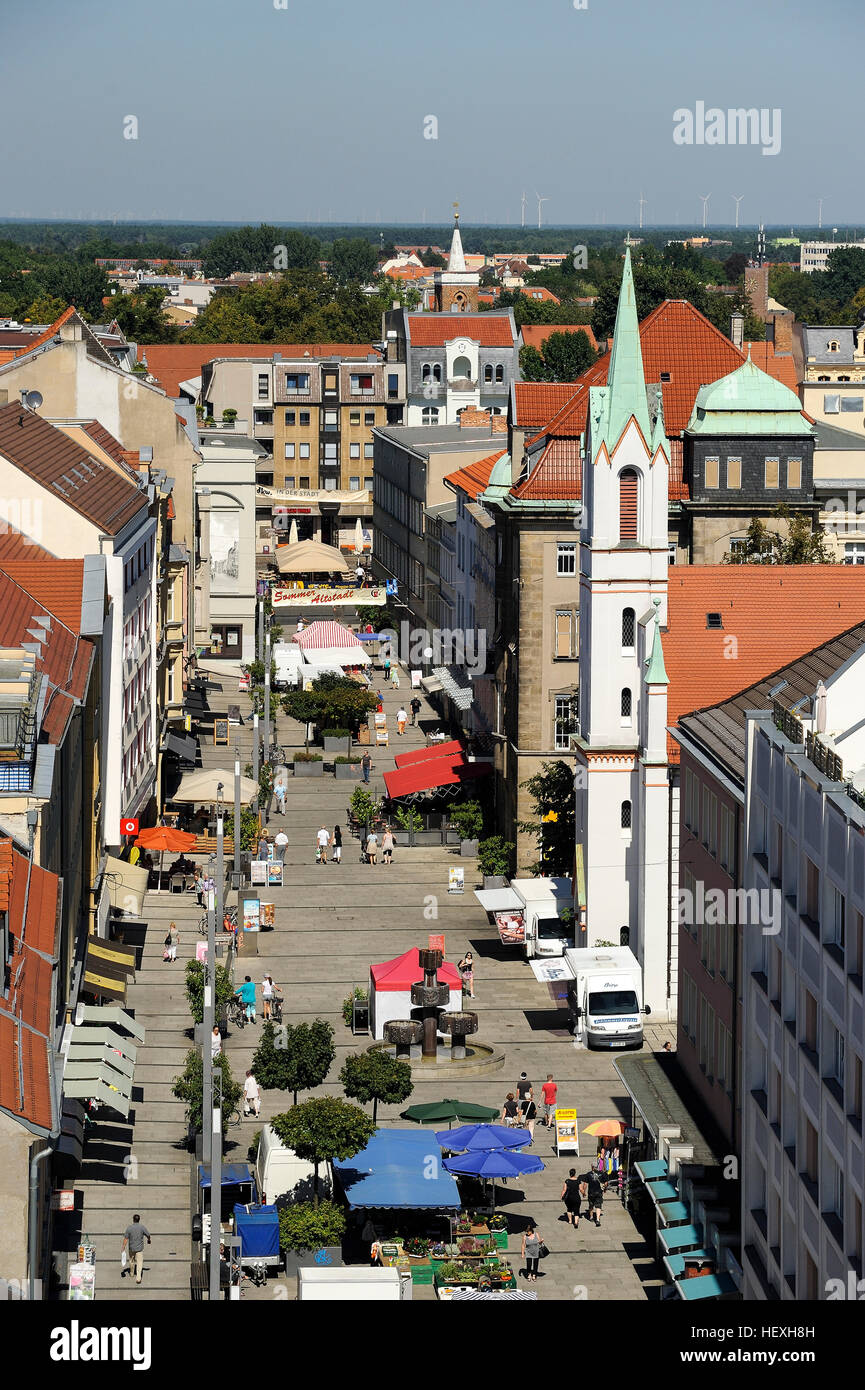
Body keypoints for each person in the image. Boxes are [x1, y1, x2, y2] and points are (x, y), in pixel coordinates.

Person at [122, 1215, 151, 1285]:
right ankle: (138, 1278)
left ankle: (131, 1273)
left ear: (133, 1219)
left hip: (131, 1248)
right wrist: (149, 1240)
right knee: (139, 1263)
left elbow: (126, 1238)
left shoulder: (129, 1228)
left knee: (131, 1261)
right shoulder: (142, 1227)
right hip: (139, 1249)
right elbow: (148, 1234)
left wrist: (123, 1247)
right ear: (139, 1220)